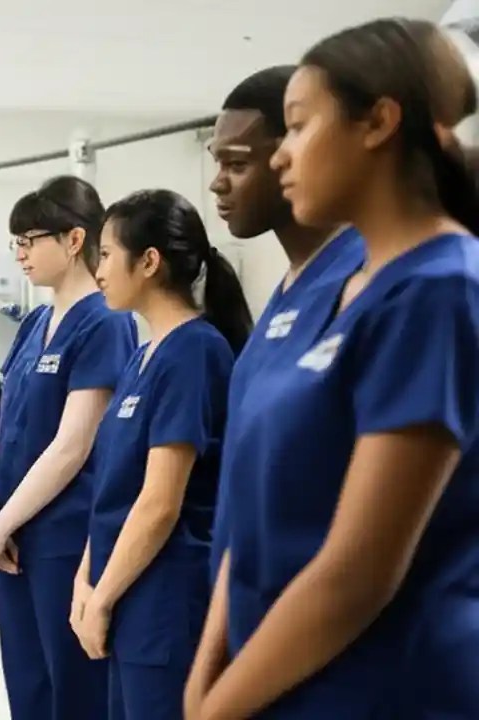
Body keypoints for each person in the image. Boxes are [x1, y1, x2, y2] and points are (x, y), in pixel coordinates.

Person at [187, 18, 479, 720]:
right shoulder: (346, 293)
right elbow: (256, 505)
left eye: (297, 127)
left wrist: (216, 706)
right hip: (271, 677)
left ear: (378, 122)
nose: (281, 158)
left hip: (376, 686)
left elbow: (359, 572)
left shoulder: (440, 290)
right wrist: (207, 674)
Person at [73, 189, 252, 719]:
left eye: (106, 254)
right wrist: (87, 581)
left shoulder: (194, 352)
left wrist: (101, 596)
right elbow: (113, 491)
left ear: (149, 261)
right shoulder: (144, 354)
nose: (98, 269)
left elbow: (159, 503)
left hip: (165, 599)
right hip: (123, 591)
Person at [0, 177, 136, 720]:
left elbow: (73, 445)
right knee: (27, 688)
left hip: (64, 537)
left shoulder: (105, 322)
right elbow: (3, 425)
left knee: (72, 689)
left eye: (29, 239)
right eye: (14, 241)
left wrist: (0, 526)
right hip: (12, 536)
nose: (18, 253)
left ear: (72, 240)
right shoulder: (36, 321)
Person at [203, 65, 366, 576]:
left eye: (238, 163)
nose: (216, 183)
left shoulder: (370, 282)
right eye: (218, 162)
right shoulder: (288, 294)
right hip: (252, 605)